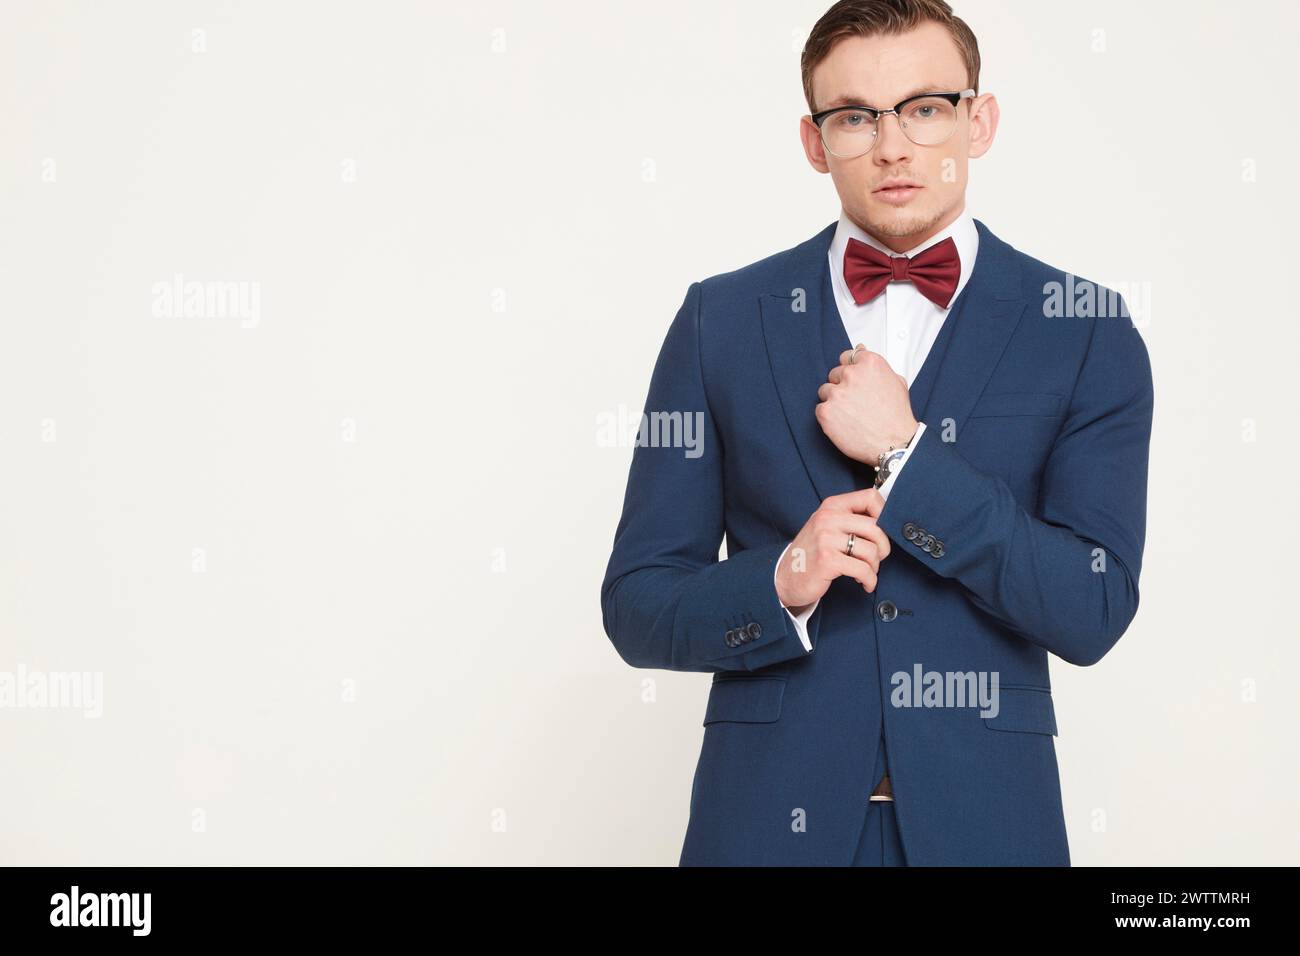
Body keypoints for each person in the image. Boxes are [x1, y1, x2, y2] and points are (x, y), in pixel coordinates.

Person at [600, 0, 1153, 866]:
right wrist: (785, 577)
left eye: (925, 108)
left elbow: (1092, 609)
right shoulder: (721, 320)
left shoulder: (1084, 329)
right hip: (762, 827)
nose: (893, 147)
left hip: (990, 829)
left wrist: (908, 460)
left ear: (981, 121)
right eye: (856, 117)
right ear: (815, 142)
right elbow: (636, 604)